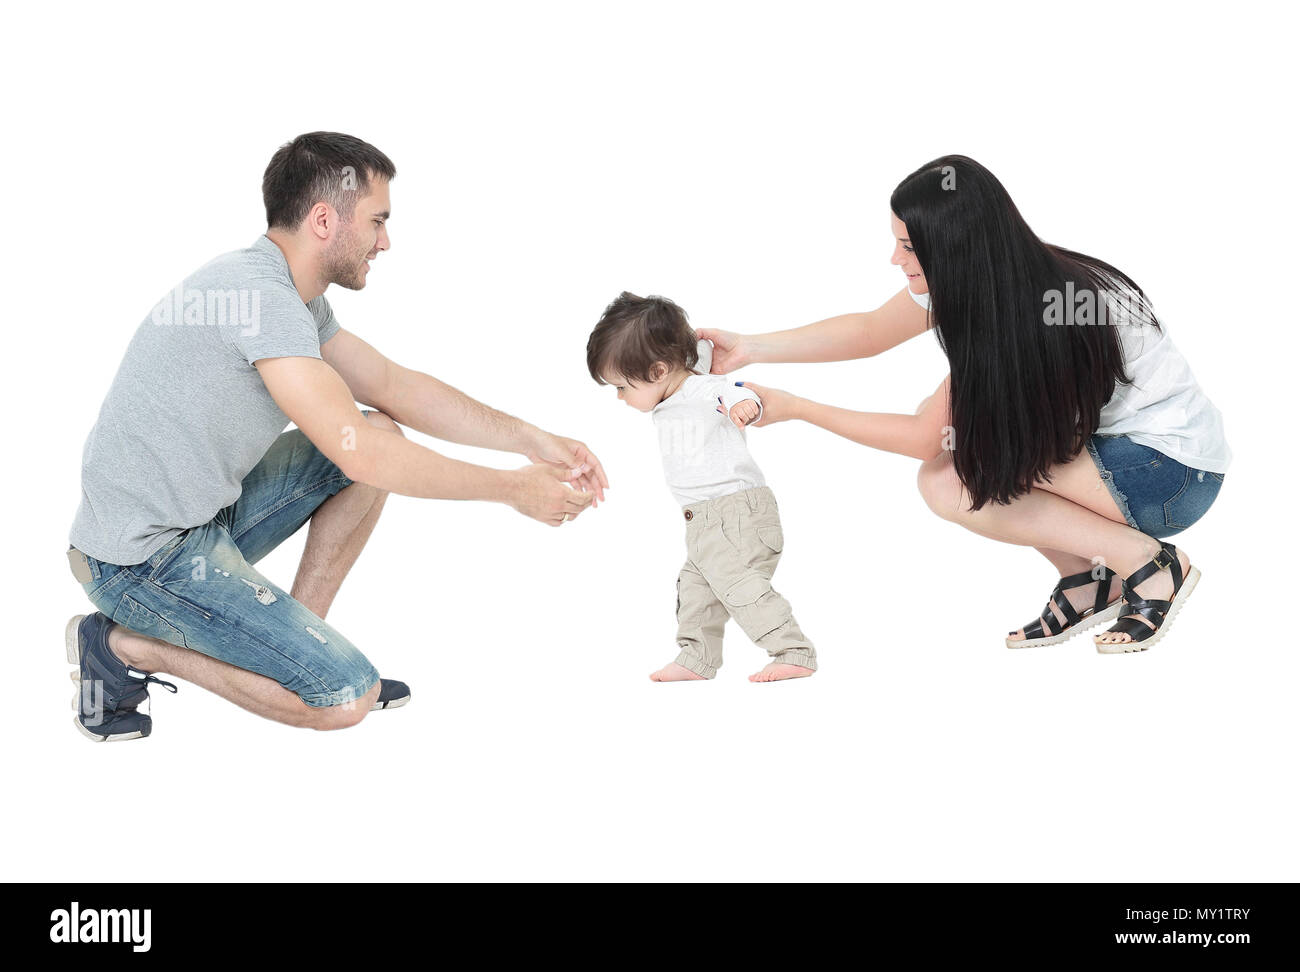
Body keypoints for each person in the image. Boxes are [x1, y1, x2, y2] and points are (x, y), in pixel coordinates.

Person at [66, 132, 607, 741]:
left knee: (382, 425)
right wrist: (512, 490)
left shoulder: (289, 294)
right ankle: (119, 646)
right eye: (377, 220)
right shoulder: (259, 298)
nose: (386, 241)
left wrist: (531, 440)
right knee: (342, 698)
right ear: (325, 219)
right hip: (138, 562)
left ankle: (302, 639)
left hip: (203, 521)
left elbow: (391, 387)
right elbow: (360, 450)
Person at [697, 155, 1229, 654]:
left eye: (908, 247)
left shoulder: (1030, 318)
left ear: (953, 248)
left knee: (951, 476)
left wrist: (794, 407)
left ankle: (1151, 565)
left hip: (1170, 475)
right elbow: (868, 331)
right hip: (1124, 458)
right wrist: (751, 347)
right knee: (961, 469)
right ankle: (1089, 581)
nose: (894, 259)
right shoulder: (986, 280)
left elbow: (924, 437)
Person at [587, 292, 816, 682]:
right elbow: (699, 354)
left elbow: (734, 391)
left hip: (735, 513)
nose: (621, 398)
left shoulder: (702, 389)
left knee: (738, 586)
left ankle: (792, 649)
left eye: (622, 388)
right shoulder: (673, 394)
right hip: (706, 520)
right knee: (695, 591)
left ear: (659, 372)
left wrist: (747, 406)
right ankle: (696, 658)